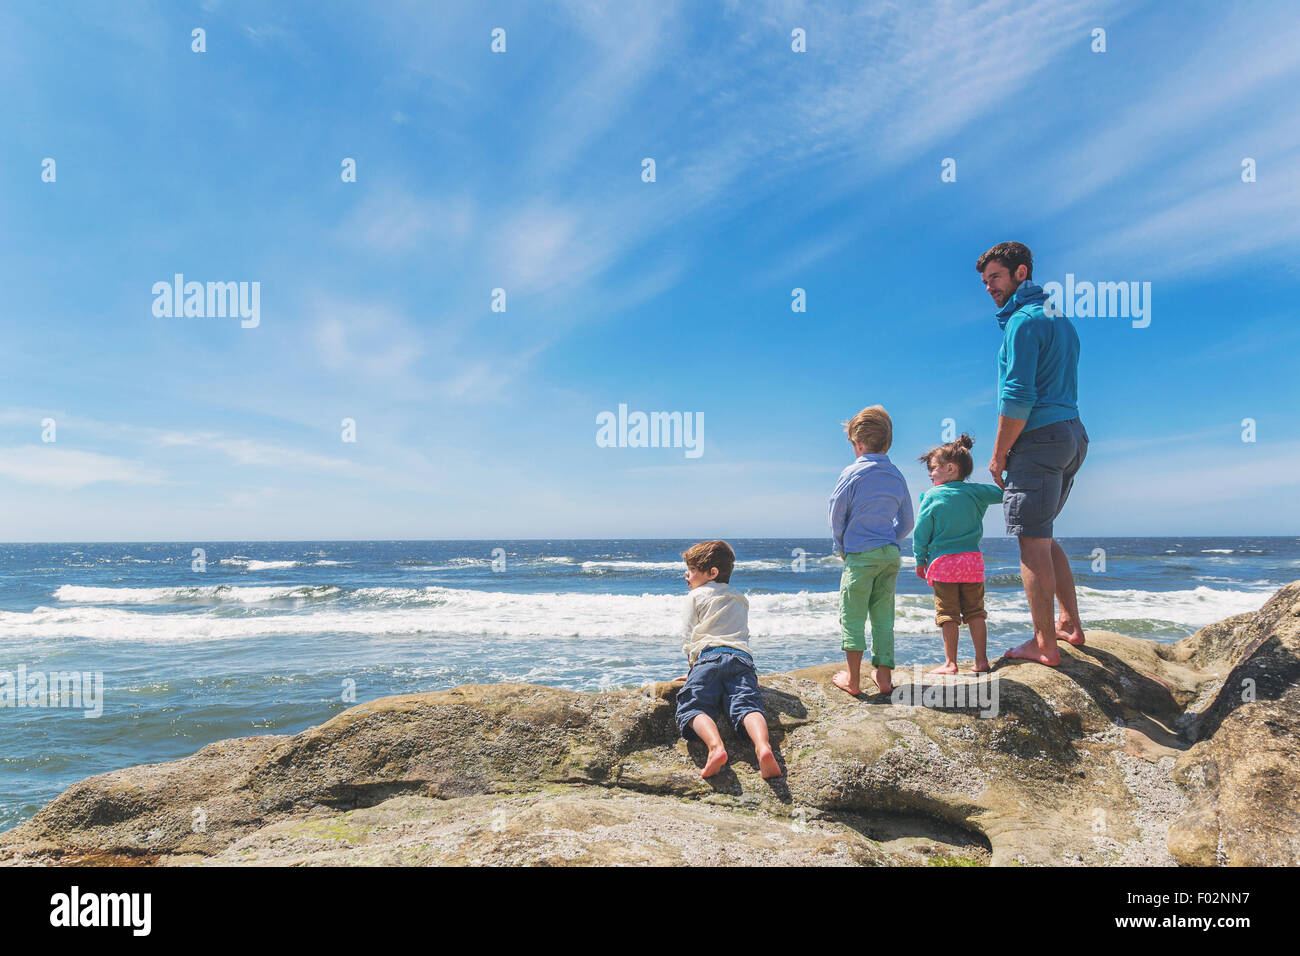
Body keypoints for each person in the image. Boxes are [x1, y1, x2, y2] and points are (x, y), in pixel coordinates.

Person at [977, 241, 1089, 666]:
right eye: (985, 281)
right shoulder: (1061, 320)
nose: (989, 287)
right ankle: (1069, 624)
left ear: (1021, 273)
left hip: (1039, 439)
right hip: (1072, 435)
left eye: (996, 278)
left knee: (1031, 545)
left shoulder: (1023, 322)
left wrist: (999, 453)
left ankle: (1045, 645)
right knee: (1043, 537)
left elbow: (1018, 395)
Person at [672, 540, 782, 779]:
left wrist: (693, 670)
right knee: (748, 704)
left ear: (712, 573)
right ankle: (763, 746)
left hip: (708, 657)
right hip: (741, 658)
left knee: (693, 705)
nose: (686, 574)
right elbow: (742, 633)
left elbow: (689, 636)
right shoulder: (740, 598)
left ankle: (716, 748)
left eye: (691, 570)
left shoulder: (695, 596)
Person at [828, 405, 914, 696]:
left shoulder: (852, 473)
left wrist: (841, 545)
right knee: (883, 615)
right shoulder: (896, 475)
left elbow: (837, 513)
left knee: (852, 615)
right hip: (889, 555)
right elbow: (908, 521)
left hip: (861, 555)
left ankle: (853, 681)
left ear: (858, 443)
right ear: (887, 442)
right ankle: (884, 677)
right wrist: (890, 537)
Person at [913, 434, 1004, 674]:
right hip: (972, 563)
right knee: (976, 612)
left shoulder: (932, 496)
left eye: (933, 469)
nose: (931, 474)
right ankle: (981, 661)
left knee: (947, 614)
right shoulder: (977, 492)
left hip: (943, 564)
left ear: (950, 468)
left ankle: (951, 663)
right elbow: (1005, 494)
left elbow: (921, 532)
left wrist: (920, 560)